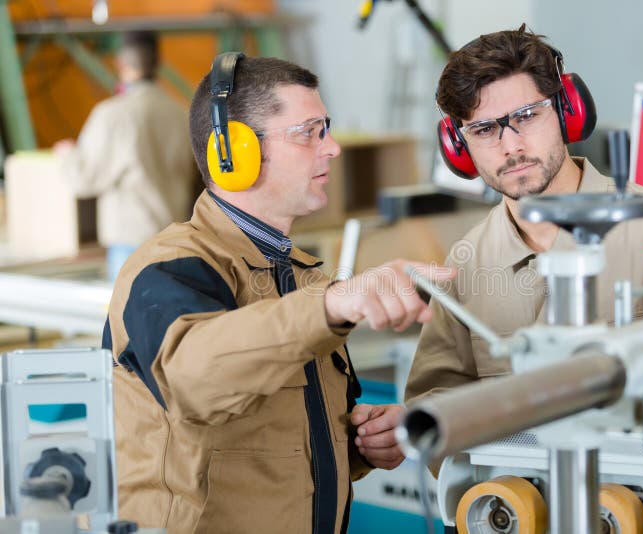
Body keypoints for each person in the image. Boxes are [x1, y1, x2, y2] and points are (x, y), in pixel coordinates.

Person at [102, 52, 454, 534]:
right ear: (233, 152)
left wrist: (361, 440)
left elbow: (270, 441)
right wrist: (332, 304)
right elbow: (193, 380)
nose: (332, 149)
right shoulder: (168, 268)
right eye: (310, 132)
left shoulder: (300, 273)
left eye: (326, 129)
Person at [404, 26, 643, 411]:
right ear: (459, 148)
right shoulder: (465, 263)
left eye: (527, 115)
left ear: (567, 110)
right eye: (485, 130)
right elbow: (437, 404)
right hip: (517, 474)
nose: (511, 145)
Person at [54, 31, 196, 281]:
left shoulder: (112, 115)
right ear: (158, 63)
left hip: (131, 246)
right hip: (175, 241)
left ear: (121, 65)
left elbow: (85, 180)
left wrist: (67, 155)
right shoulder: (181, 113)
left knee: (125, 318)